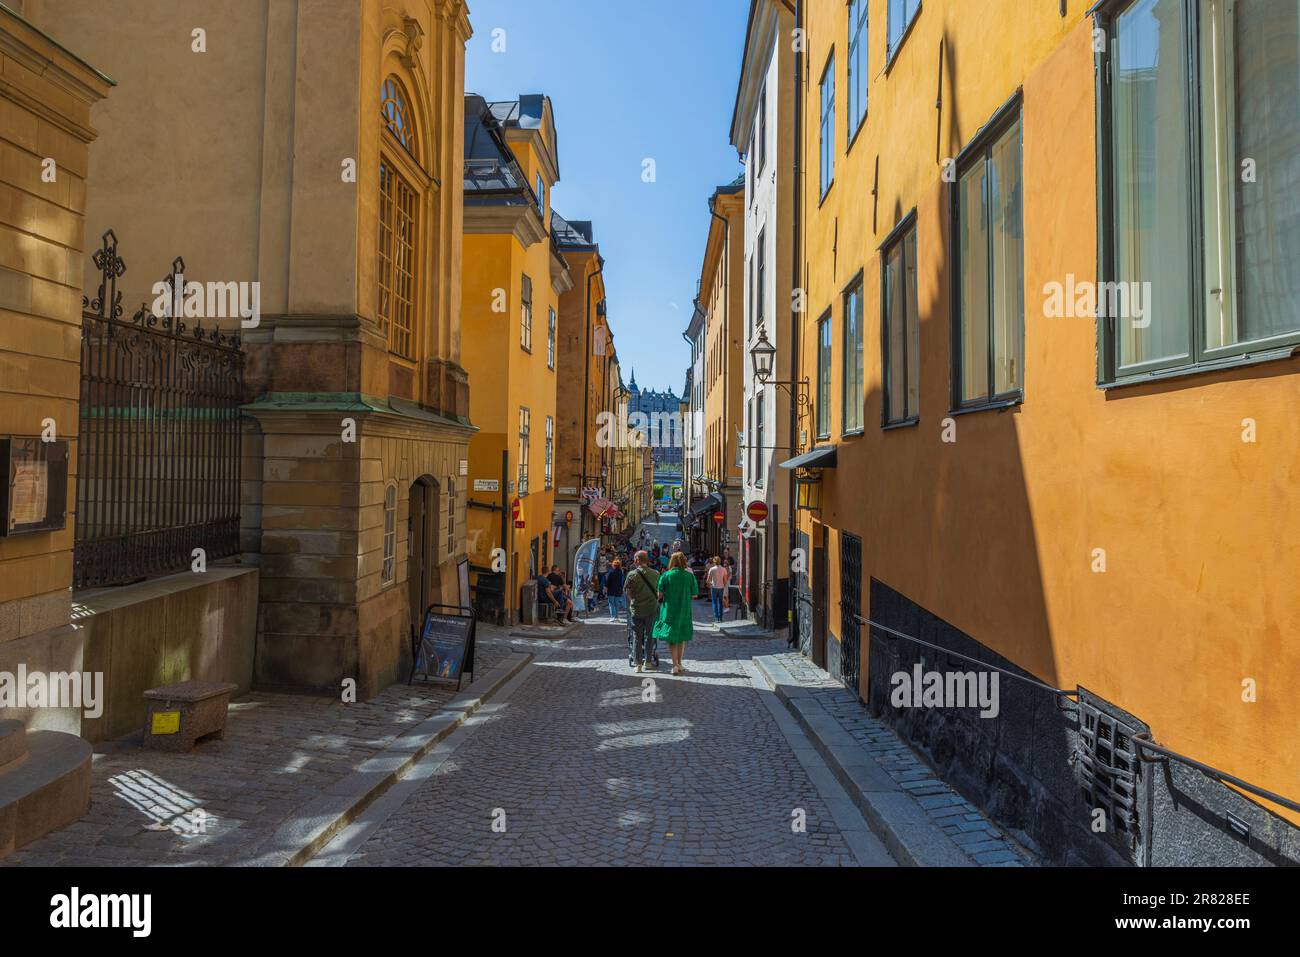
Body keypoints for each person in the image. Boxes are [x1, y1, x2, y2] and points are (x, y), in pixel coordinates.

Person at [654, 552, 699, 675]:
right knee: (681, 637)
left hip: (669, 610)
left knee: (672, 638)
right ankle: (679, 663)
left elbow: (659, 595)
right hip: (684, 610)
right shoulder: (689, 576)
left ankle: (674, 665)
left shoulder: (666, 575)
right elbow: (695, 594)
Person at [623, 550, 661, 672]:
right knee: (650, 635)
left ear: (638, 560)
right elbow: (659, 591)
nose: (634, 561)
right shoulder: (656, 574)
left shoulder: (631, 574)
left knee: (637, 636)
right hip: (651, 609)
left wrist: (633, 600)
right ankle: (648, 662)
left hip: (637, 609)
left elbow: (627, 591)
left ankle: (638, 664)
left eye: (635, 558)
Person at [705, 556, 730, 622]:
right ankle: (720, 618)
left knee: (714, 603)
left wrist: (710, 584)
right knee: (720, 603)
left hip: (714, 588)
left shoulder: (712, 569)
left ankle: (716, 618)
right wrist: (724, 586)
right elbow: (725, 580)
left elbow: (708, 580)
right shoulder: (723, 569)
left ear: (714, 561)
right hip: (721, 587)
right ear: (720, 561)